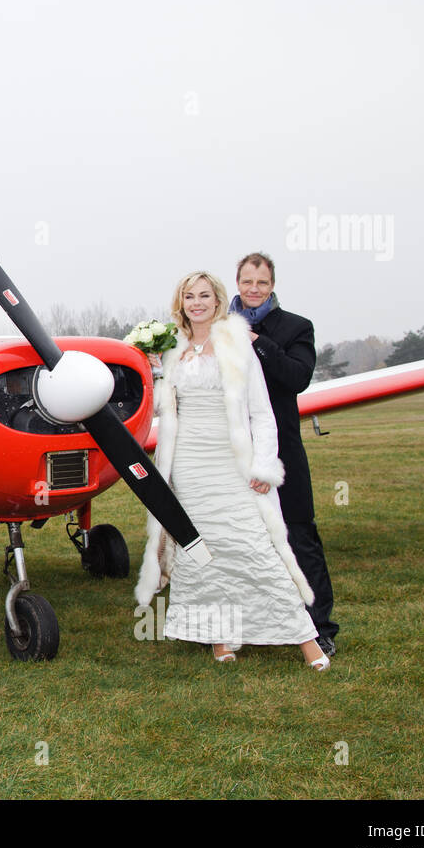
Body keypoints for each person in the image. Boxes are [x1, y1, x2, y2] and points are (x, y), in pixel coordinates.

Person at [134, 270, 329, 670]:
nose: (197, 303)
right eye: (190, 296)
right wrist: (153, 370)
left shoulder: (236, 342)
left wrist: (263, 463)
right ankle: (219, 637)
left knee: (255, 546)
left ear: (218, 300)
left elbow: (262, 411)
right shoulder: (172, 348)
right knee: (201, 553)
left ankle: (306, 639)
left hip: (229, 460)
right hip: (188, 464)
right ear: (181, 302)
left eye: (205, 295)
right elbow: (159, 408)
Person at [232, 253, 339, 658]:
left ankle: (320, 627)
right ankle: (244, 626)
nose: (254, 289)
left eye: (261, 282)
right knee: (240, 539)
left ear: (272, 284)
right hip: (234, 452)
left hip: (283, 451)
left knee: (299, 535)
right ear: (238, 283)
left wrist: (259, 344)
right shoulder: (221, 328)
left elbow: (298, 377)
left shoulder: (296, 327)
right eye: (247, 282)